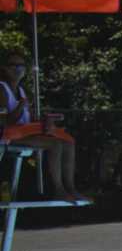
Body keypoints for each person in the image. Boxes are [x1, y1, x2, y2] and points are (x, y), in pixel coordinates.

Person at [0, 52, 80, 201]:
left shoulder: (22, 91)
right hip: (7, 136)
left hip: (23, 133)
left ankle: (71, 188)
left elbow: (29, 119)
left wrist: (45, 121)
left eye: (21, 66)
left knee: (68, 143)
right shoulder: (2, 89)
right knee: (55, 144)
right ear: (4, 68)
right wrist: (20, 106)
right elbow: (4, 121)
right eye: (13, 65)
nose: (18, 69)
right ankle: (58, 190)